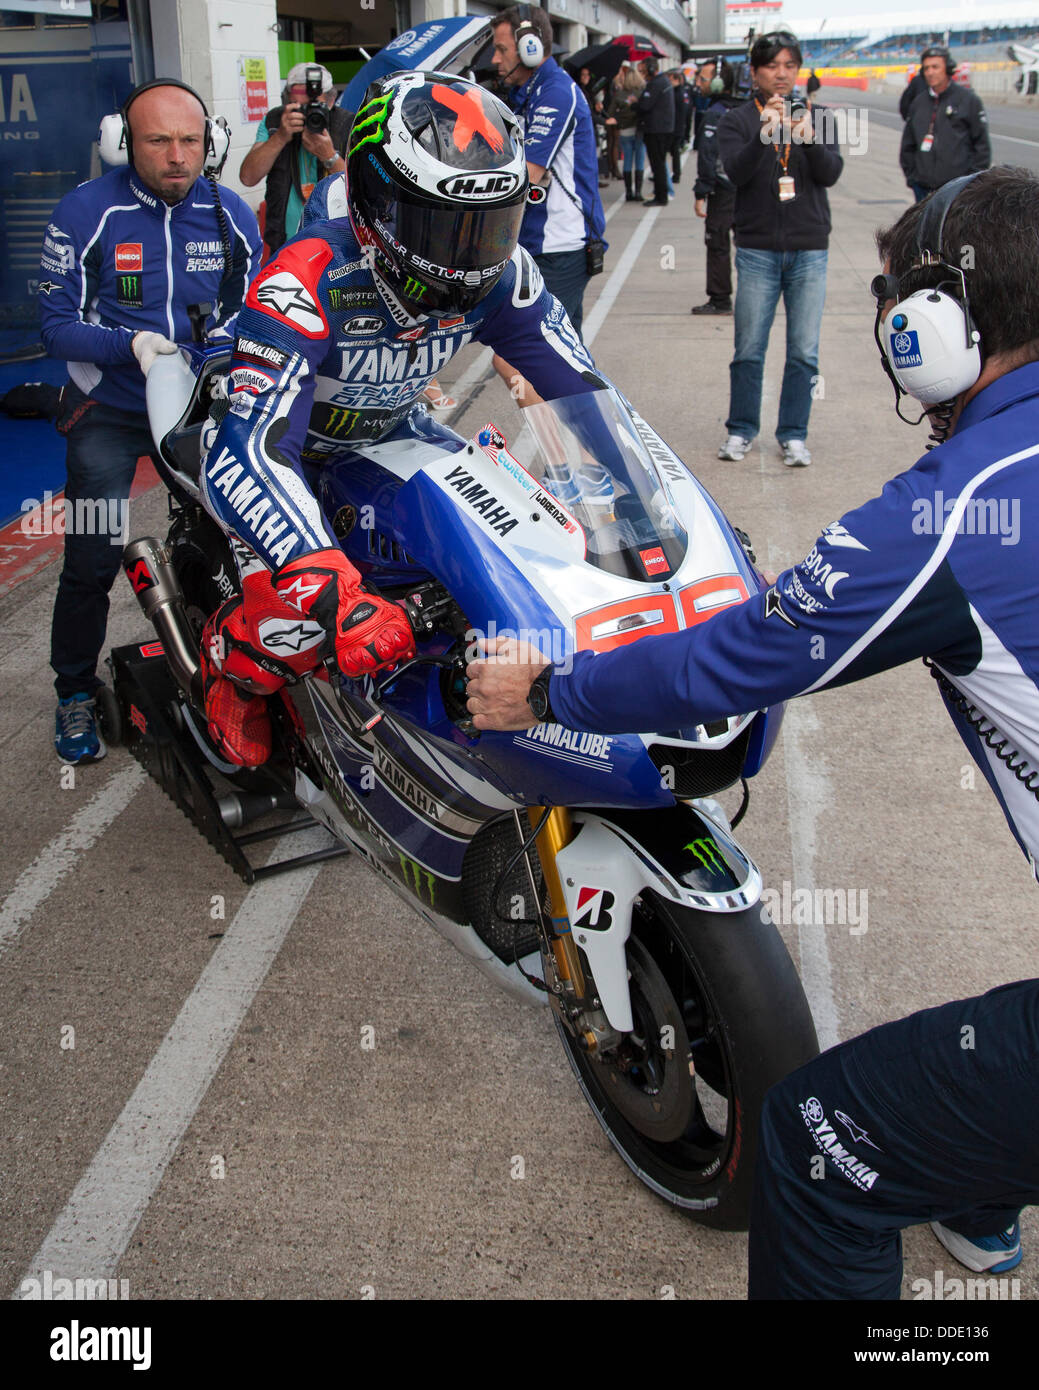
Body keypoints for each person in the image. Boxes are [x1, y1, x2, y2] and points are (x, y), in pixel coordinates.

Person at [464, 165, 1039, 1300]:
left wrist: (545, 692)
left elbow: (738, 656)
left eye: (891, 302)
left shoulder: (959, 504)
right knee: (971, 1063)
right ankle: (979, 1196)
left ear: (937, 324)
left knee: (816, 1142)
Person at [188, 72, 611, 768]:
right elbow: (251, 454)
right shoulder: (308, 276)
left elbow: (589, 391)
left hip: (384, 433)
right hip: (273, 448)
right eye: (448, 227)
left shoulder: (506, 274)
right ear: (378, 204)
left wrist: (665, 523)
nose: (472, 251)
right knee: (299, 629)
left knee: (508, 546)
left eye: (492, 225)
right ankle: (228, 670)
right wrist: (335, 594)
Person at [38, 79, 261, 764]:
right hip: (107, 409)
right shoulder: (83, 213)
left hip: (195, 403)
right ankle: (74, 691)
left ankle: (229, 670)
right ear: (123, 142)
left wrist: (223, 353)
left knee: (232, 541)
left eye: (189, 140)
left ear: (210, 143)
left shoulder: (233, 215)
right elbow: (54, 326)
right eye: (158, 140)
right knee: (91, 557)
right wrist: (126, 345)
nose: (176, 156)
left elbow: (256, 310)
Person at [715, 29, 843, 467]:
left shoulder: (820, 115)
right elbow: (734, 172)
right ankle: (740, 429)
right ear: (755, 73)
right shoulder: (737, 119)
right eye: (772, 66)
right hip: (756, 250)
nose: (782, 74)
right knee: (749, 348)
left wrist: (806, 137)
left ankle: (793, 434)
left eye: (790, 65)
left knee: (804, 351)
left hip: (810, 249)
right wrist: (763, 133)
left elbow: (830, 174)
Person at [490, 4, 605, 339]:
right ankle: (587, 395)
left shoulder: (555, 92)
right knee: (569, 357)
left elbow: (526, 175)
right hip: (535, 243)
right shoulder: (523, 95)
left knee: (527, 357)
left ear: (531, 47)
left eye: (501, 49)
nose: (496, 60)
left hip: (560, 246)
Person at [238, 62, 350, 254]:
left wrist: (329, 156)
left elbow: (360, 188)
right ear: (287, 100)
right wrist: (280, 137)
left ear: (330, 101)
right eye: (299, 107)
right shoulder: (275, 121)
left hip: (335, 245)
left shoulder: (347, 123)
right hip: (285, 243)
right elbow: (248, 177)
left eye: (315, 107)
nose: (308, 114)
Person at [900, 46, 990, 203]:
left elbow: (982, 147)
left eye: (935, 67)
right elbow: (908, 144)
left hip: (958, 190)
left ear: (947, 68)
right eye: (926, 68)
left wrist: (973, 183)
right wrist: (912, 178)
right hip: (923, 188)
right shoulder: (918, 103)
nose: (930, 72)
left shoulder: (968, 100)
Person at [691, 59, 739, 315]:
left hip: (723, 190)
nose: (699, 83)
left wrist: (701, 192)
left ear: (719, 82)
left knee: (717, 243)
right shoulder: (749, 108)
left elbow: (708, 157)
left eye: (704, 78)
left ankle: (720, 300)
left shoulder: (715, 113)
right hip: (750, 188)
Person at [635, 56, 674, 207]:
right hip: (661, 129)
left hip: (657, 130)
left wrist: (634, 105)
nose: (643, 74)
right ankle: (660, 194)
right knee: (658, 164)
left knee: (657, 164)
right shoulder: (662, 81)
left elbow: (644, 106)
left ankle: (661, 196)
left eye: (643, 71)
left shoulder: (657, 83)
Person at [604, 64, 646, 202]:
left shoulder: (619, 95)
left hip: (625, 130)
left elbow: (610, 113)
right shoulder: (642, 93)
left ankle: (628, 192)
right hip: (639, 130)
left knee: (627, 160)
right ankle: (638, 192)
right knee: (639, 161)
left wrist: (619, 118)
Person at [667, 69, 692, 185]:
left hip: (675, 127)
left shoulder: (676, 93)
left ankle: (676, 175)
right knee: (674, 152)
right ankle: (676, 174)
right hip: (679, 126)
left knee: (674, 152)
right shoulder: (682, 92)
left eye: (670, 79)